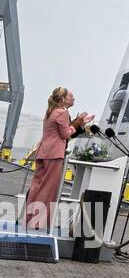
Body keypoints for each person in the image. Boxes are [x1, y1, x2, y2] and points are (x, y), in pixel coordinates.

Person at [24, 87, 94, 231]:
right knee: (48, 189)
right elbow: (65, 134)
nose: (73, 99)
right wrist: (79, 121)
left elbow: (57, 131)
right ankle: (38, 223)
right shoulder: (63, 112)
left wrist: (79, 122)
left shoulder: (51, 111)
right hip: (54, 154)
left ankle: (29, 219)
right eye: (71, 97)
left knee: (36, 186)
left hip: (43, 152)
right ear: (63, 99)